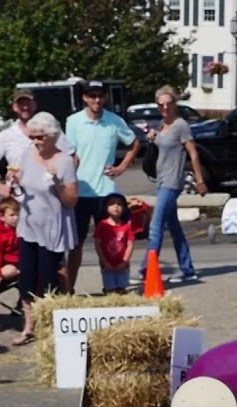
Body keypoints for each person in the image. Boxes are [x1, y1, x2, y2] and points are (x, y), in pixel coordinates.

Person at [9, 112, 79, 346]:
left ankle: (50, 327)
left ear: (52, 137)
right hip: (28, 225)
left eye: (40, 137)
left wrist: (58, 183)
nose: (36, 142)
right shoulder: (28, 154)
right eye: (33, 137)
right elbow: (19, 178)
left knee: (49, 278)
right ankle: (29, 326)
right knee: (27, 277)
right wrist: (13, 179)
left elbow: (71, 201)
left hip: (52, 226)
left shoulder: (64, 160)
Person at [65, 80, 140, 295]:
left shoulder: (114, 121)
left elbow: (134, 142)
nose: (96, 100)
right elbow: (72, 154)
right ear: (85, 98)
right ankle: (69, 289)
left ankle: (112, 286)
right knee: (76, 243)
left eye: (100, 96)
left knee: (109, 242)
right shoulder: (74, 121)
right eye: (92, 96)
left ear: (104, 97)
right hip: (81, 191)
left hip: (105, 192)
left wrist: (122, 166)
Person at [138, 85, 208, 284]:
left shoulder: (181, 125)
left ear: (175, 104)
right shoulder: (162, 125)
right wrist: (153, 137)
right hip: (161, 180)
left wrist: (200, 180)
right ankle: (187, 269)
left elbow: (193, 153)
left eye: (169, 104)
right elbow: (161, 147)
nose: (165, 108)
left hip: (172, 181)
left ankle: (147, 268)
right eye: (161, 105)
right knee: (173, 227)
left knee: (156, 225)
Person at [0, 90, 75, 198]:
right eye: (21, 104)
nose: (25, 107)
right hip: (20, 197)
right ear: (15, 107)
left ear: (35, 105)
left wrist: (67, 185)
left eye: (28, 103)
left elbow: (71, 156)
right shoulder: (6, 135)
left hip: (51, 195)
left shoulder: (51, 130)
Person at [94, 193, 135, 294]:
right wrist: (104, 261)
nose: (116, 206)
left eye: (119, 204)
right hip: (107, 264)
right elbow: (98, 244)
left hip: (122, 264)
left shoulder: (127, 226)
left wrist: (125, 261)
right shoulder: (102, 225)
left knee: (122, 290)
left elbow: (130, 244)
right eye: (111, 204)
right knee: (110, 290)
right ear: (106, 207)